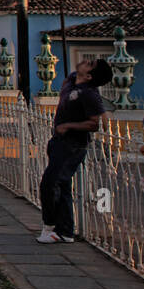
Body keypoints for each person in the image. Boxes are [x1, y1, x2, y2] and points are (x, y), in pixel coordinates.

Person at [38, 57, 112, 244]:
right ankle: (66, 231)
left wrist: (68, 126)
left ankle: (50, 226)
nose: (86, 60)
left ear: (89, 76)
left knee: (50, 183)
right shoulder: (71, 79)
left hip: (72, 145)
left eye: (90, 64)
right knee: (62, 186)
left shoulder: (89, 94)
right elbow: (69, 81)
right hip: (59, 141)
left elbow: (95, 124)